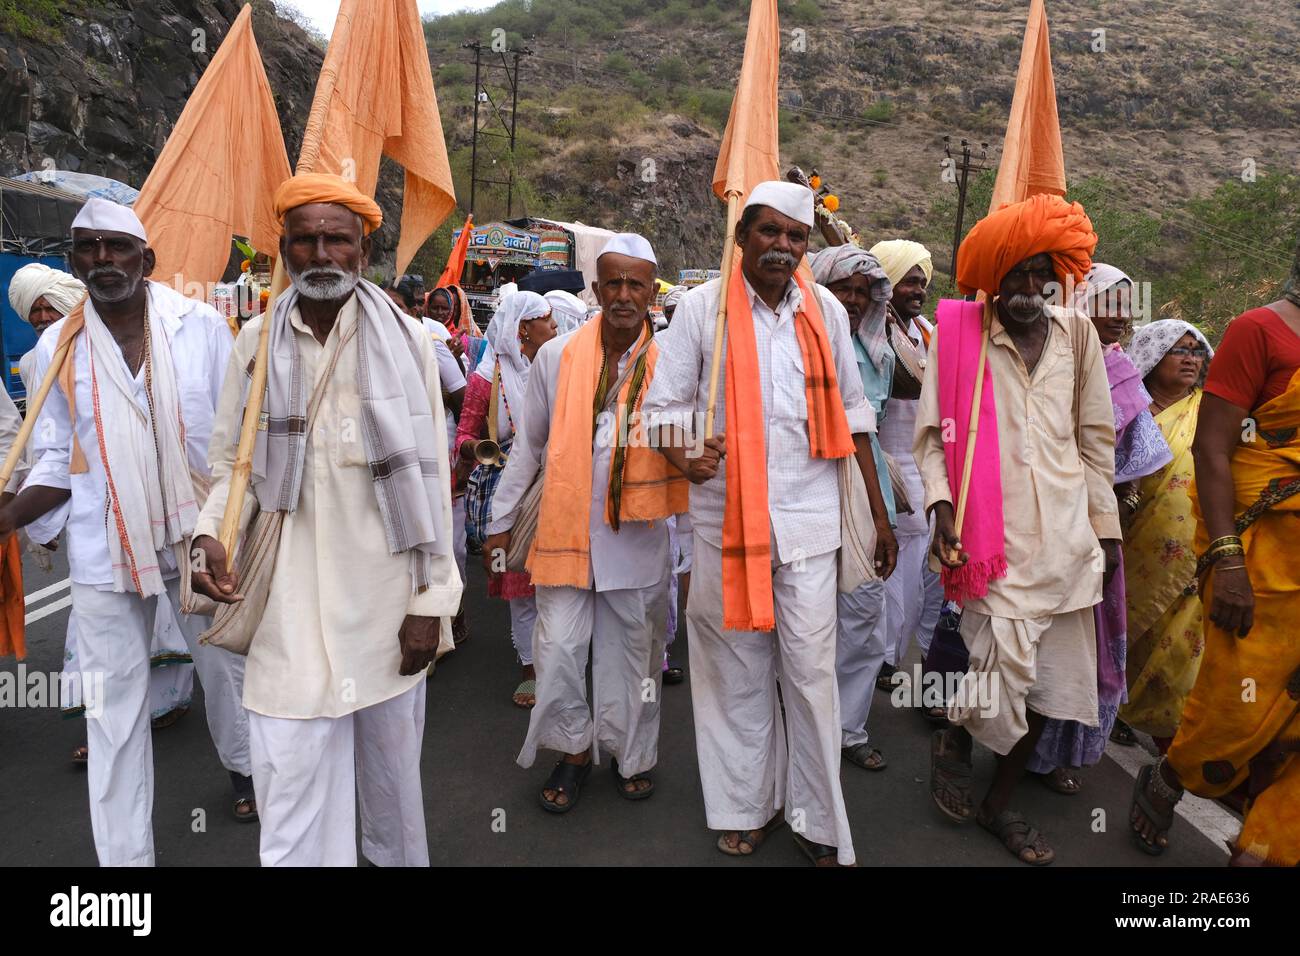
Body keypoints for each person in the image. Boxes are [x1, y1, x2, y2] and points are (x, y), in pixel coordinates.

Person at [190, 173, 462, 867]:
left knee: (393, 796)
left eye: (335, 240)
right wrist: (209, 538)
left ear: (361, 251)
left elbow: (431, 479)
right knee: (289, 799)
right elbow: (232, 466)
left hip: (385, 605)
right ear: (284, 249)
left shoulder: (405, 340)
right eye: (305, 240)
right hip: (285, 611)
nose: (320, 254)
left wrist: (431, 603)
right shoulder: (254, 342)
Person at [644, 181, 896, 866]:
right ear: (741, 236)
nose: (782, 246)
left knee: (812, 674)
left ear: (806, 246)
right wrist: (685, 453)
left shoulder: (825, 314)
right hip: (724, 526)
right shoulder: (701, 312)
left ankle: (814, 816)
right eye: (769, 232)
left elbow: (854, 413)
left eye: (796, 236)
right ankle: (744, 807)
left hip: (811, 525)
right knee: (735, 673)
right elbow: (660, 411)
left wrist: (878, 510)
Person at [0, 198, 253, 864]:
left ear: (148, 259)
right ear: (72, 261)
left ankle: (245, 767)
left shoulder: (199, 326)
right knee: (110, 716)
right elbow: (56, 457)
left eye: (117, 246)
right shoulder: (55, 348)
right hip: (105, 545)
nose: (103, 259)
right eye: (87, 248)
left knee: (225, 676)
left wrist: (224, 526)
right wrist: (11, 515)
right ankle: (125, 870)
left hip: (197, 536)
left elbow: (232, 447)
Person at [918, 193, 1117, 866]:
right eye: (1016, 275)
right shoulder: (957, 334)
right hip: (988, 544)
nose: (1029, 289)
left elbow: (1095, 440)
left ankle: (997, 805)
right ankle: (954, 733)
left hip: (1066, 544)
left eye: (1040, 274)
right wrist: (943, 512)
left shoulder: (1078, 335)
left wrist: (1108, 534)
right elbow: (931, 442)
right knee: (991, 677)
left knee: (1048, 691)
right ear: (992, 278)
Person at [484, 234, 686, 814]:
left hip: (638, 536)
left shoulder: (671, 359)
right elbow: (530, 447)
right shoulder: (557, 355)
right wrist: (499, 521)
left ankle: (633, 755)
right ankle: (572, 753)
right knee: (561, 653)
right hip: (565, 535)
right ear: (596, 290)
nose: (624, 294)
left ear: (652, 291)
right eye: (613, 283)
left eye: (636, 284)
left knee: (635, 658)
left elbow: (688, 444)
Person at [1128, 249, 1300, 866]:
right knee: (1237, 706)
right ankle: (1172, 775)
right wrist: (1226, 562)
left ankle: (1261, 850)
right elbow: (1214, 449)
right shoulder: (1259, 330)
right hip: (1261, 557)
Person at [1026, 264, 1174, 793]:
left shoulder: (1123, 371)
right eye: (1109, 303)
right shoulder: (1051, 357)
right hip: (1041, 512)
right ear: (1081, 300)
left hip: (1098, 525)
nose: (1120, 318)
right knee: (1028, 632)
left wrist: (1120, 500)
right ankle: (996, 743)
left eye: (1127, 306)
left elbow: (1137, 455)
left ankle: (1057, 750)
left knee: (1083, 643)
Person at [811, 244, 896, 773]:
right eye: (843, 287)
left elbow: (871, 429)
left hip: (867, 491)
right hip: (812, 488)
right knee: (809, 616)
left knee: (864, 612)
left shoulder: (880, 351)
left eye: (864, 292)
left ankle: (848, 729)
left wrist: (882, 515)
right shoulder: (800, 343)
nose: (854, 300)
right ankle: (807, 721)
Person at [1117, 319, 1213, 752]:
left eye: (1197, 351)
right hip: (1126, 540)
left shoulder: (1209, 412)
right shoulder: (1128, 408)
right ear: (1154, 356)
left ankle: (1167, 733)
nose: (1192, 358)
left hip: (1192, 553)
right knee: (1121, 628)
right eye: (1181, 350)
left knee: (1178, 648)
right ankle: (1113, 705)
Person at [456, 291, 557, 705]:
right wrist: (481, 450)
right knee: (518, 584)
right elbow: (463, 434)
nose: (554, 327)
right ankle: (530, 670)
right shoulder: (486, 378)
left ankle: (556, 663)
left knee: (552, 582)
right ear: (523, 329)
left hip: (552, 489)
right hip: (508, 494)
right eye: (546, 320)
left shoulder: (553, 368)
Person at [869, 239, 944, 698]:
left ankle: (892, 656)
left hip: (924, 474)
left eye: (922, 281)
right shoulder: (871, 331)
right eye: (908, 280)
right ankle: (875, 657)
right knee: (883, 577)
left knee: (914, 580)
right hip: (882, 469)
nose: (918, 290)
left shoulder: (929, 334)